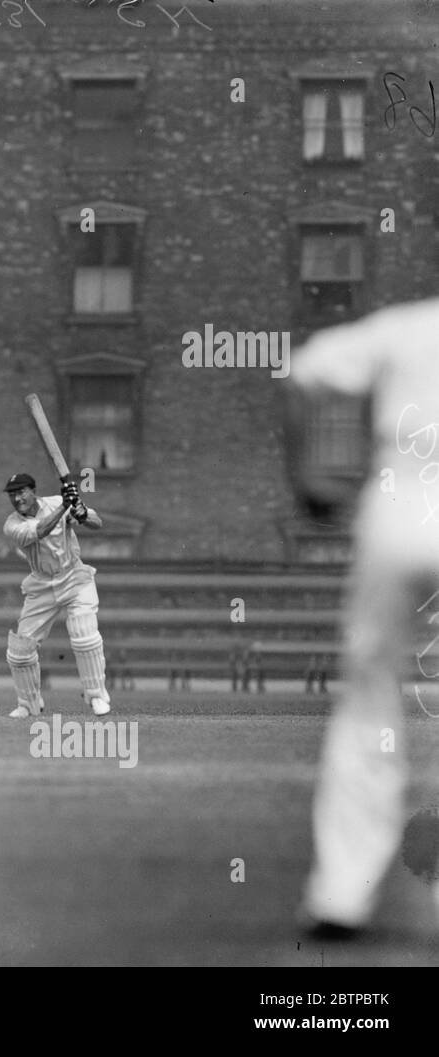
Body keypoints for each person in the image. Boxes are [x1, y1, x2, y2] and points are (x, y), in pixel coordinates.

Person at [288, 296, 439, 938]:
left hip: (401, 503)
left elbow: (300, 372)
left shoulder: (409, 324)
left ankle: (341, 894)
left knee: (369, 702)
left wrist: (304, 478)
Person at [1, 472, 110, 718]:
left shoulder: (55, 502)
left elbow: (97, 523)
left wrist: (82, 513)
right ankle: (28, 704)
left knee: (84, 634)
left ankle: (96, 696)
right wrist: (65, 505)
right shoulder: (12, 524)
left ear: (33, 490)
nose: (17, 499)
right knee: (19, 651)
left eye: (21, 492)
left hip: (74, 577)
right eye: (12, 494)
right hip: (42, 585)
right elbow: (39, 530)